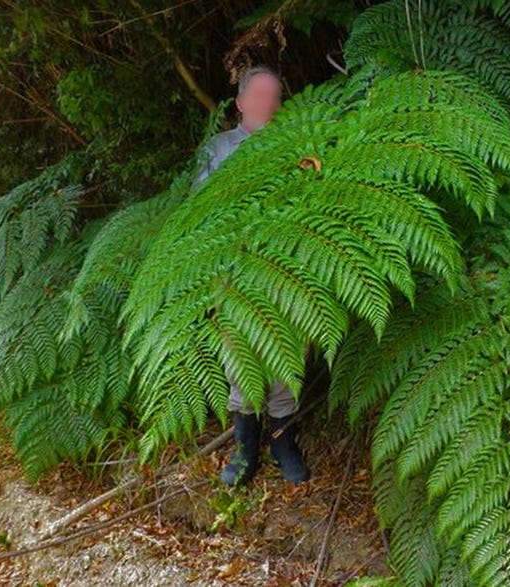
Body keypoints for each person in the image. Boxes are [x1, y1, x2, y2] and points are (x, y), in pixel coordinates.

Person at [192, 65, 309, 486]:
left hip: (282, 270)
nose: (267, 104)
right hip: (234, 274)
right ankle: (244, 449)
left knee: (285, 355)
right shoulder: (218, 149)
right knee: (240, 361)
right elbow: (199, 210)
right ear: (240, 102)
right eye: (259, 96)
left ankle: (283, 444)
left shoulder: (295, 145)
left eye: (274, 97)